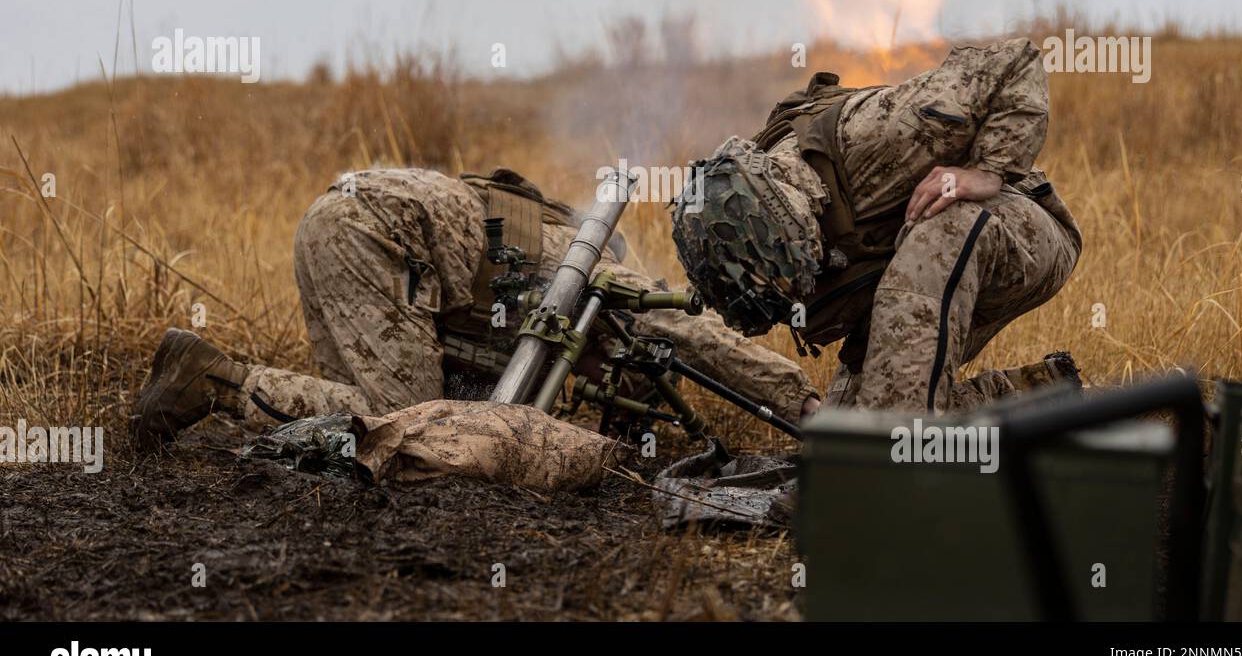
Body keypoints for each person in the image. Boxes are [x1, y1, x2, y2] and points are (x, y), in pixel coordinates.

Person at [131, 167, 820, 447]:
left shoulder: (555, 251)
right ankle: (215, 380)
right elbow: (700, 340)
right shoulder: (613, 288)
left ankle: (222, 388)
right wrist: (806, 408)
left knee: (378, 421)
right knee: (407, 432)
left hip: (358, 225)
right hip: (374, 236)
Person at [672, 38, 1083, 415]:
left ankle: (897, 459)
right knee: (848, 428)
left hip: (1020, 234)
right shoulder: (739, 248)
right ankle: (1045, 398)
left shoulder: (885, 133)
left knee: (940, 230)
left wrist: (987, 171)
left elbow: (1015, 62)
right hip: (916, 284)